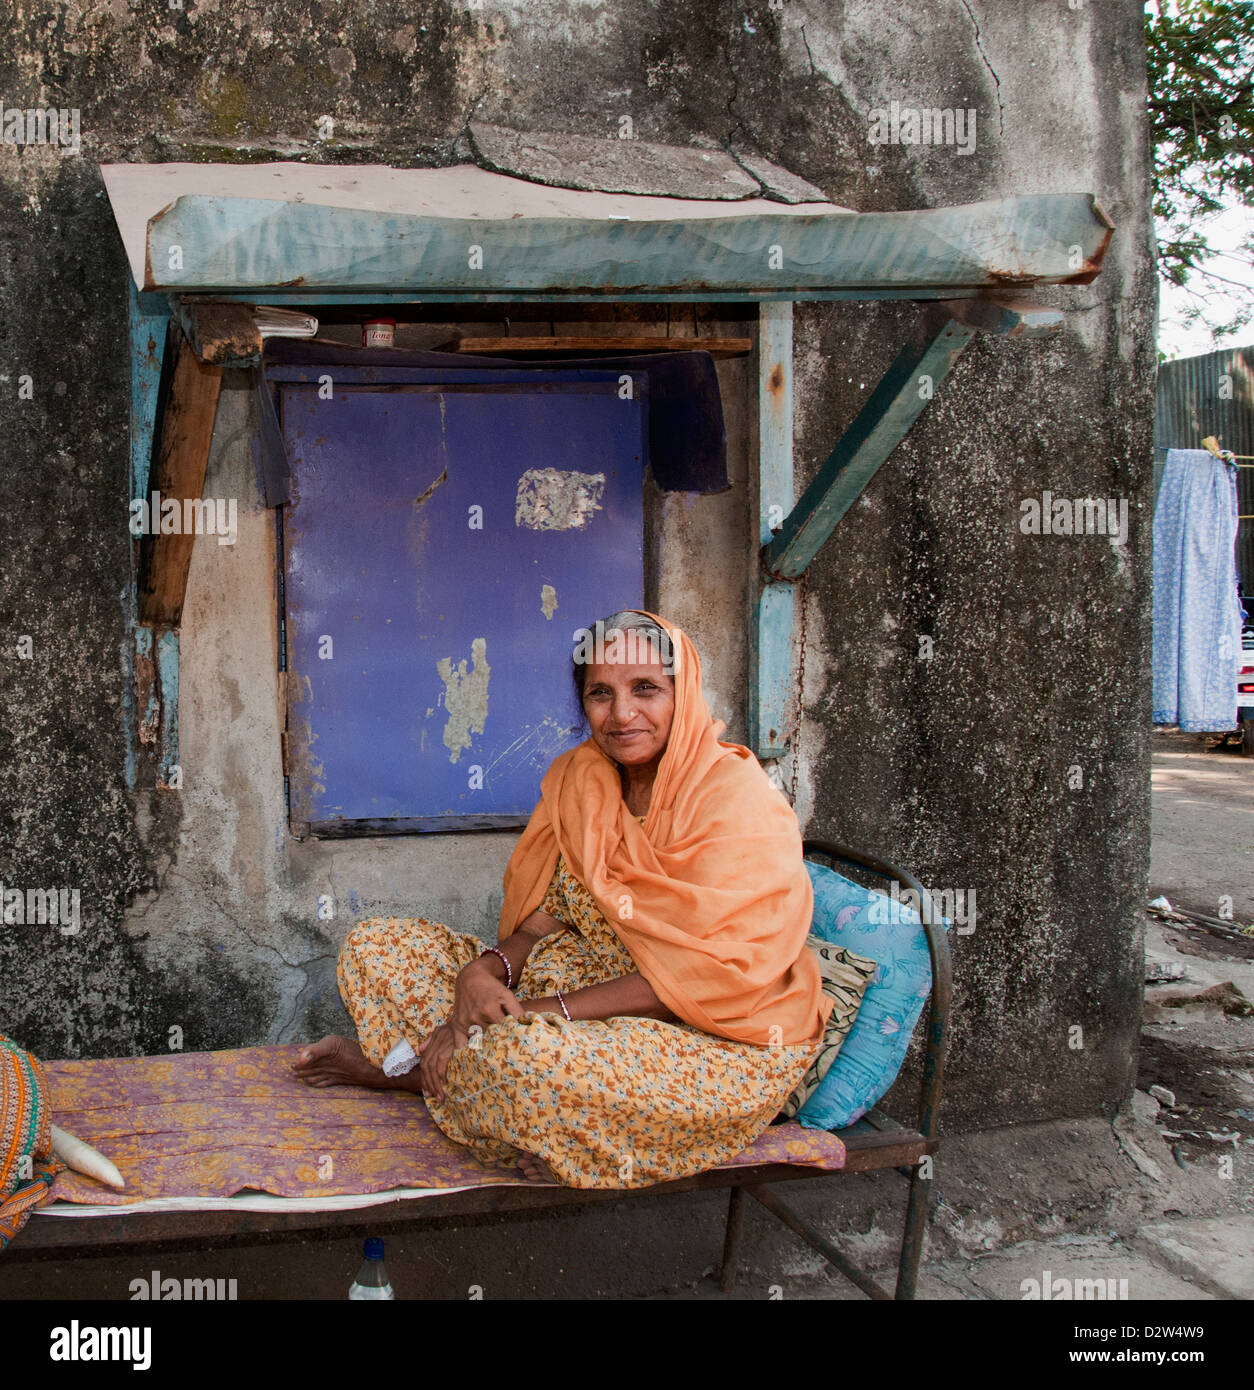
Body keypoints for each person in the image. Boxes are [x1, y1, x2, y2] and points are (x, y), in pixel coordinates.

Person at [294, 611, 832, 1188]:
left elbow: (695, 981)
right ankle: (474, 1083)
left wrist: (516, 1019)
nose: (622, 714)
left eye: (645, 688)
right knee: (376, 947)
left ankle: (406, 1074)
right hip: (575, 988)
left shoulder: (735, 799)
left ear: (684, 692)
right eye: (601, 693)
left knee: (525, 1061)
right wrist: (477, 977)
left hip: (707, 1036)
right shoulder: (584, 779)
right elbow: (543, 923)